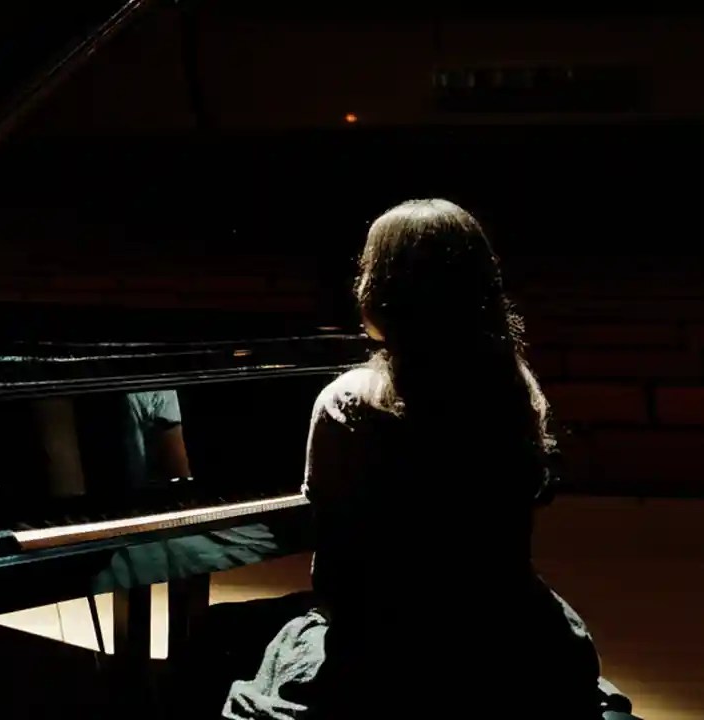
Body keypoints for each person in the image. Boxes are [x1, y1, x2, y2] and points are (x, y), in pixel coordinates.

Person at [218, 199, 628, 719]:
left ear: (380, 289)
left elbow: (335, 561)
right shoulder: (513, 389)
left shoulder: (349, 400)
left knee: (225, 637)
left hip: (390, 656)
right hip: (514, 639)